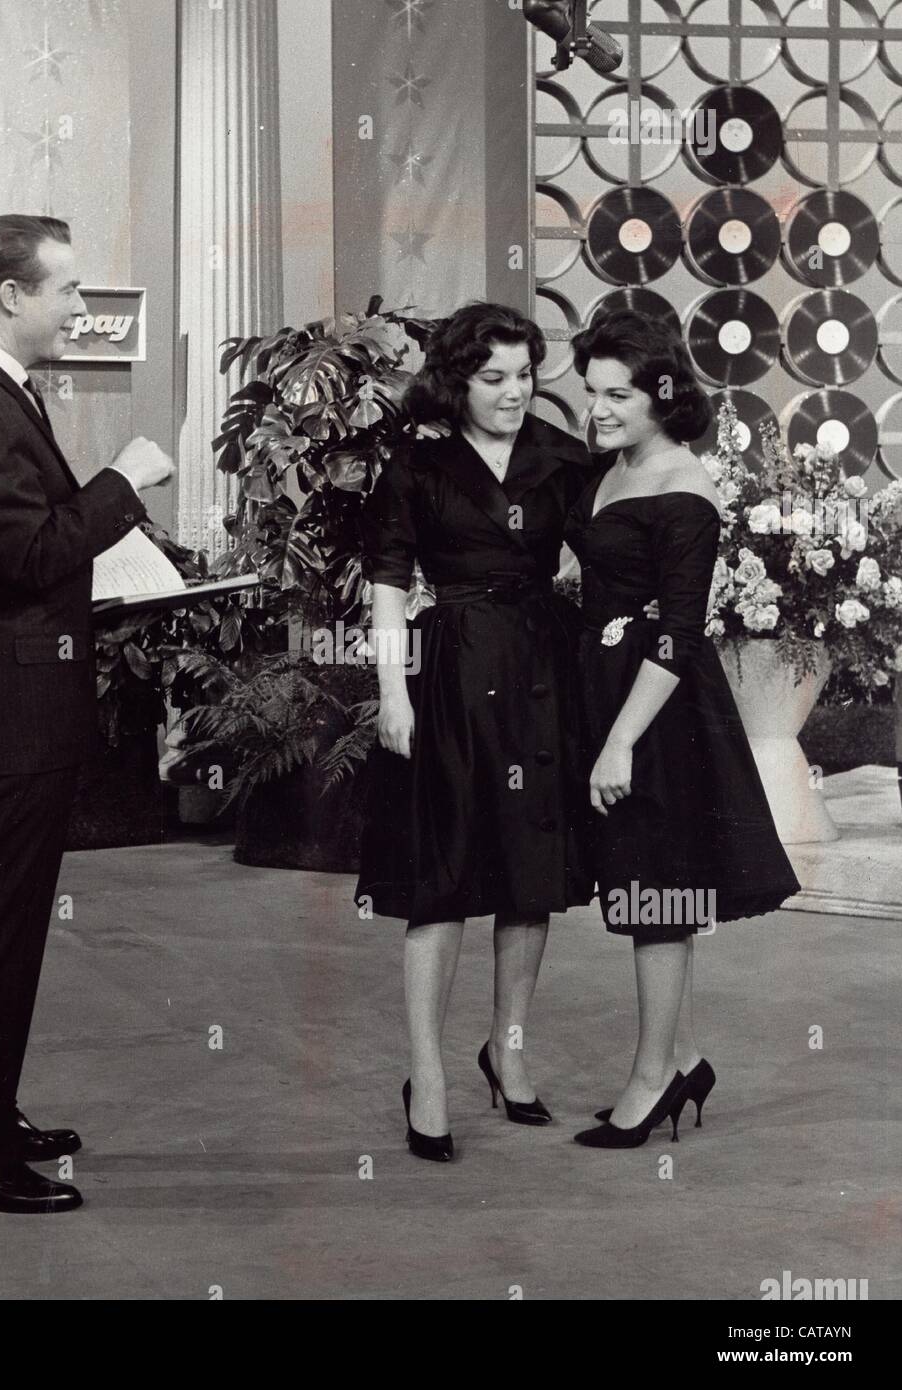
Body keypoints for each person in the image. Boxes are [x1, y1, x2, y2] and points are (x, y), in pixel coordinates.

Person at [0, 214, 173, 1211]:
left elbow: (13, 558)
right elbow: (27, 551)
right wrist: (123, 485)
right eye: (65, 288)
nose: (79, 306)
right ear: (9, 293)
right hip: (7, 712)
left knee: (7, 931)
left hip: (15, 703)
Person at [356, 301, 619, 1162]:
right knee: (442, 877)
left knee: (529, 876)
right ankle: (426, 1073)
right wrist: (392, 693)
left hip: (545, 673)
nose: (515, 392)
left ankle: (507, 1052)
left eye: (525, 375)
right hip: (453, 676)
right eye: (493, 378)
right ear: (456, 382)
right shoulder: (417, 465)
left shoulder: (565, 459)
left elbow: (614, 547)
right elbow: (389, 585)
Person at [563, 309, 801, 1148]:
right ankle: (685, 1057)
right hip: (613, 695)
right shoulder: (608, 469)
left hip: (659, 715)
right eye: (591, 392)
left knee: (656, 897)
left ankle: (652, 1078)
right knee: (645, 886)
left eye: (618, 395)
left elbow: (679, 632)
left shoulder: (685, 488)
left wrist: (621, 739)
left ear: (664, 396)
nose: (598, 409)